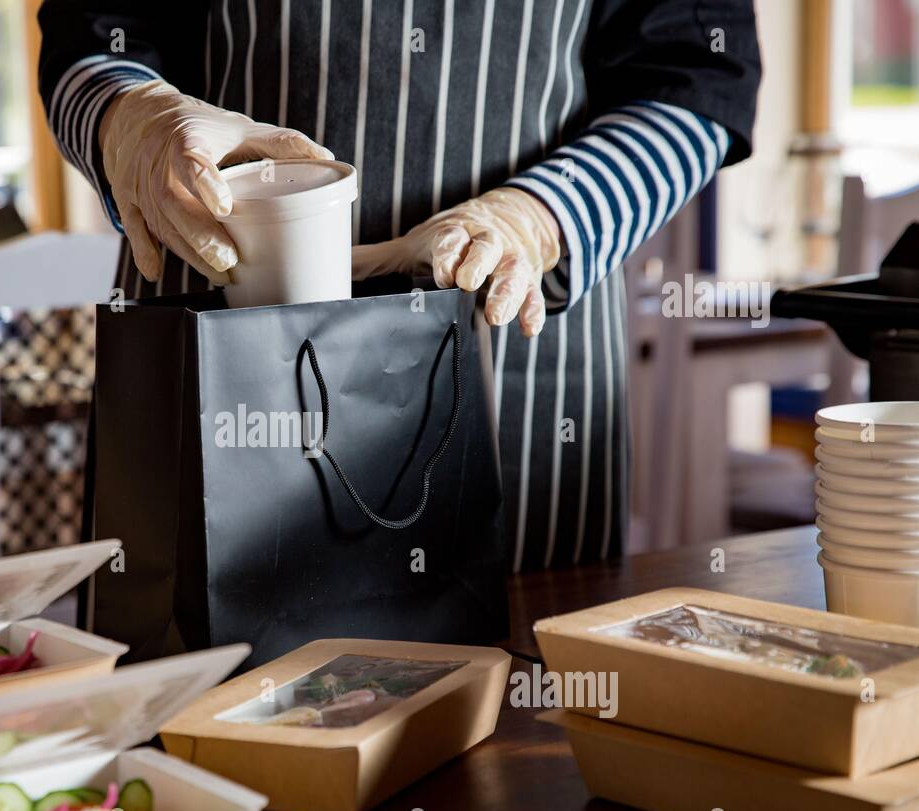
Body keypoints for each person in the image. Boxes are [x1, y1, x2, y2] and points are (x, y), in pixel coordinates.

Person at [39, 0, 761, 571]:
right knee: (192, 718)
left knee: (517, 717)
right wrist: (131, 117)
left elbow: (696, 73)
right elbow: (95, 31)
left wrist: (537, 219)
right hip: (208, 329)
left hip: (513, 348)